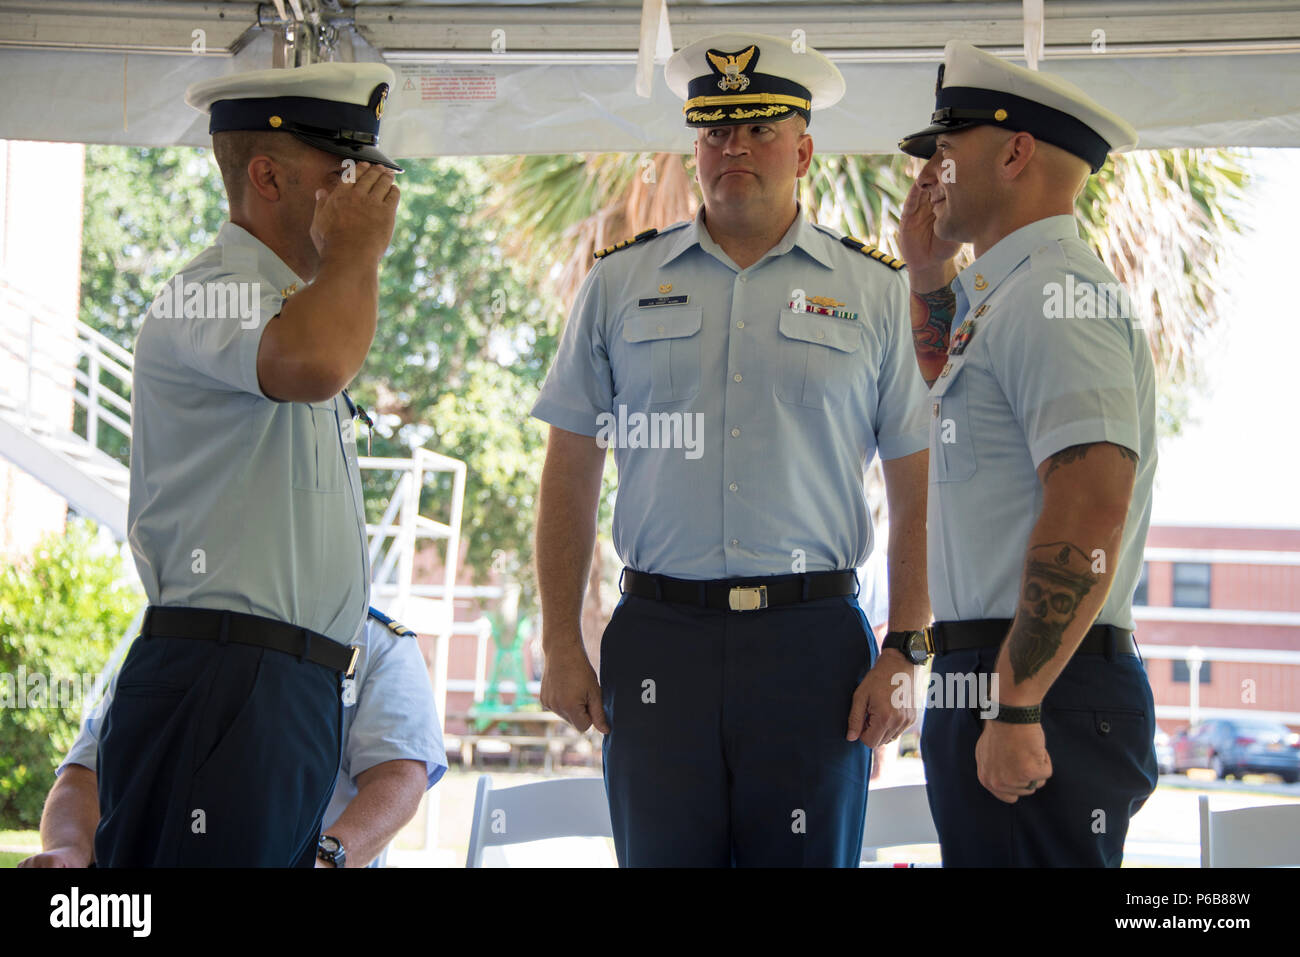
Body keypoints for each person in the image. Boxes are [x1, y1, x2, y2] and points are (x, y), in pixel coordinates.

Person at [532, 32, 932, 867]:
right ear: (696, 147)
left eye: (758, 128)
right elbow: (571, 466)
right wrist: (561, 637)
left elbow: (916, 481)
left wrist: (907, 648)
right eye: (716, 131)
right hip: (658, 639)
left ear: (805, 149)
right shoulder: (619, 284)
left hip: (813, 643)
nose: (734, 147)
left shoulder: (874, 291)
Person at [95, 62, 402, 867]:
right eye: (345, 172)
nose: (369, 195)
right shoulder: (213, 293)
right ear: (266, 174)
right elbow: (315, 365)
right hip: (228, 676)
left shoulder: (290, 304)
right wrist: (358, 251)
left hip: (283, 687)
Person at [896, 40, 1159, 866]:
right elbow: (954, 386)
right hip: (1006, 669)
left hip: (1038, 679)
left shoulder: (1054, 296)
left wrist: (1017, 704)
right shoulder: (1012, 294)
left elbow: (1090, 504)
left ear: (1015, 152)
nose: (933, 172)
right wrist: (929, 271)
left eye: (947, 148)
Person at [20, 608, 446, 869]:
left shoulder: (378, 646)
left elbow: (399, 776)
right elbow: (85, 771)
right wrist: (68, 849)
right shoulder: (171, 638)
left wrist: (325, 858)